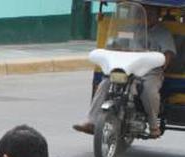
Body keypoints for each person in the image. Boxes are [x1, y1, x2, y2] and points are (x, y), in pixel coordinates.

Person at [73, 5, 176, 138]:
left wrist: (163, 64)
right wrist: (112, 46)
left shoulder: (163, 32)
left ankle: (153, 125)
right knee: (105, 84)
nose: (148, 15)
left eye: (151, 12)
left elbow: (168, 53)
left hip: (150, 72)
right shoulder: (131, 29)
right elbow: (116, 43)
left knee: (149, 90)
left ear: (157, 15)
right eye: (145, 12)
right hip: (127, 69)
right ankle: (91, 121)